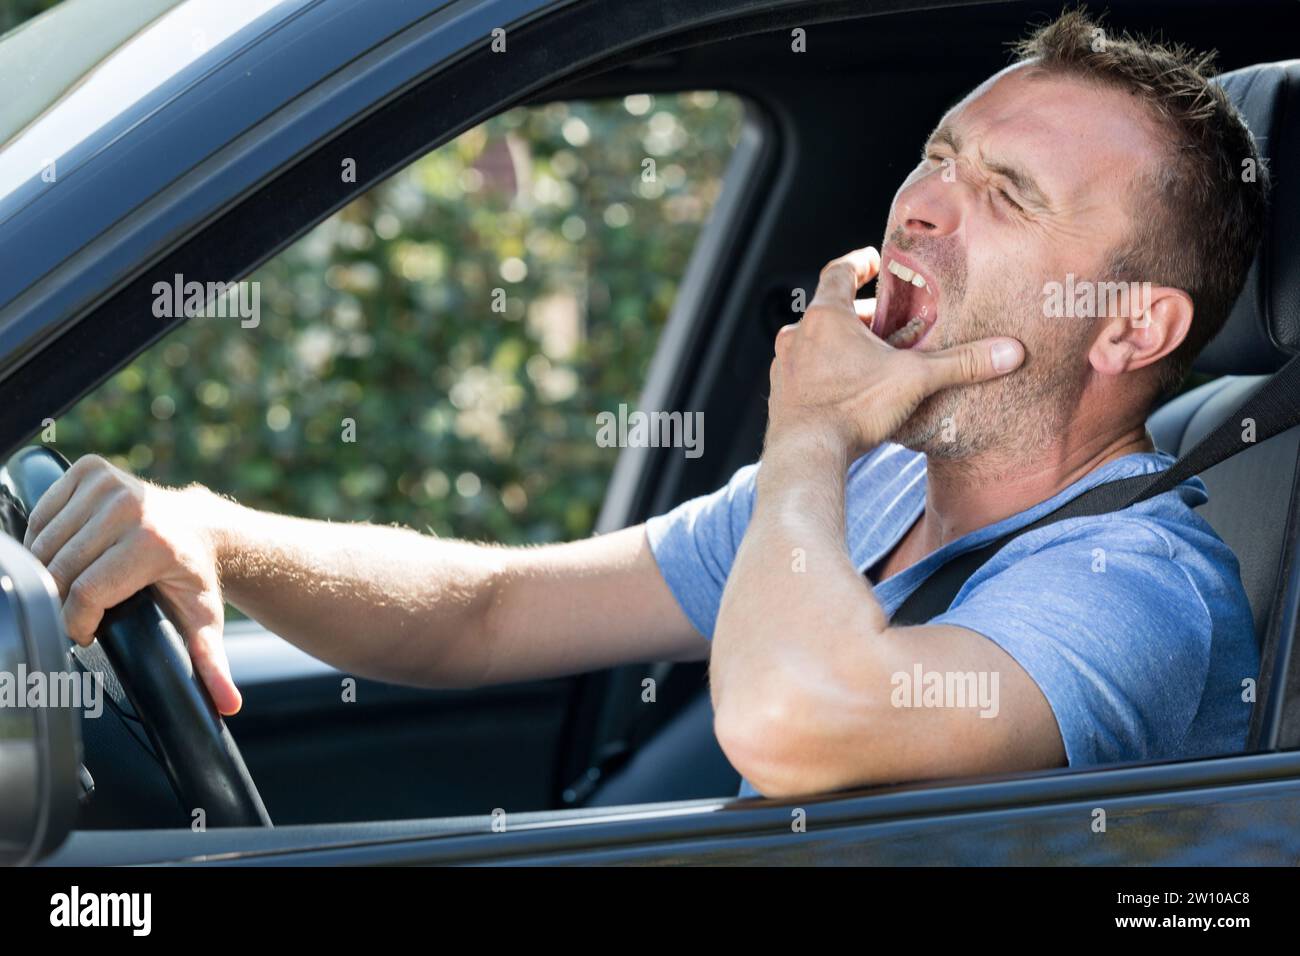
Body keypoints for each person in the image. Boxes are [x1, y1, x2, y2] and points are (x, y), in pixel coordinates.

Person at [23, 11, 1264, 798]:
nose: (921, 205)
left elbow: (791, 725)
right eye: (936, 154)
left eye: (1008, 194)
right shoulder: (881, 491)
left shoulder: (1135, 586)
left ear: (1130, 323)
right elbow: (490, 614)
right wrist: (214, 534)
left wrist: (813, 432)